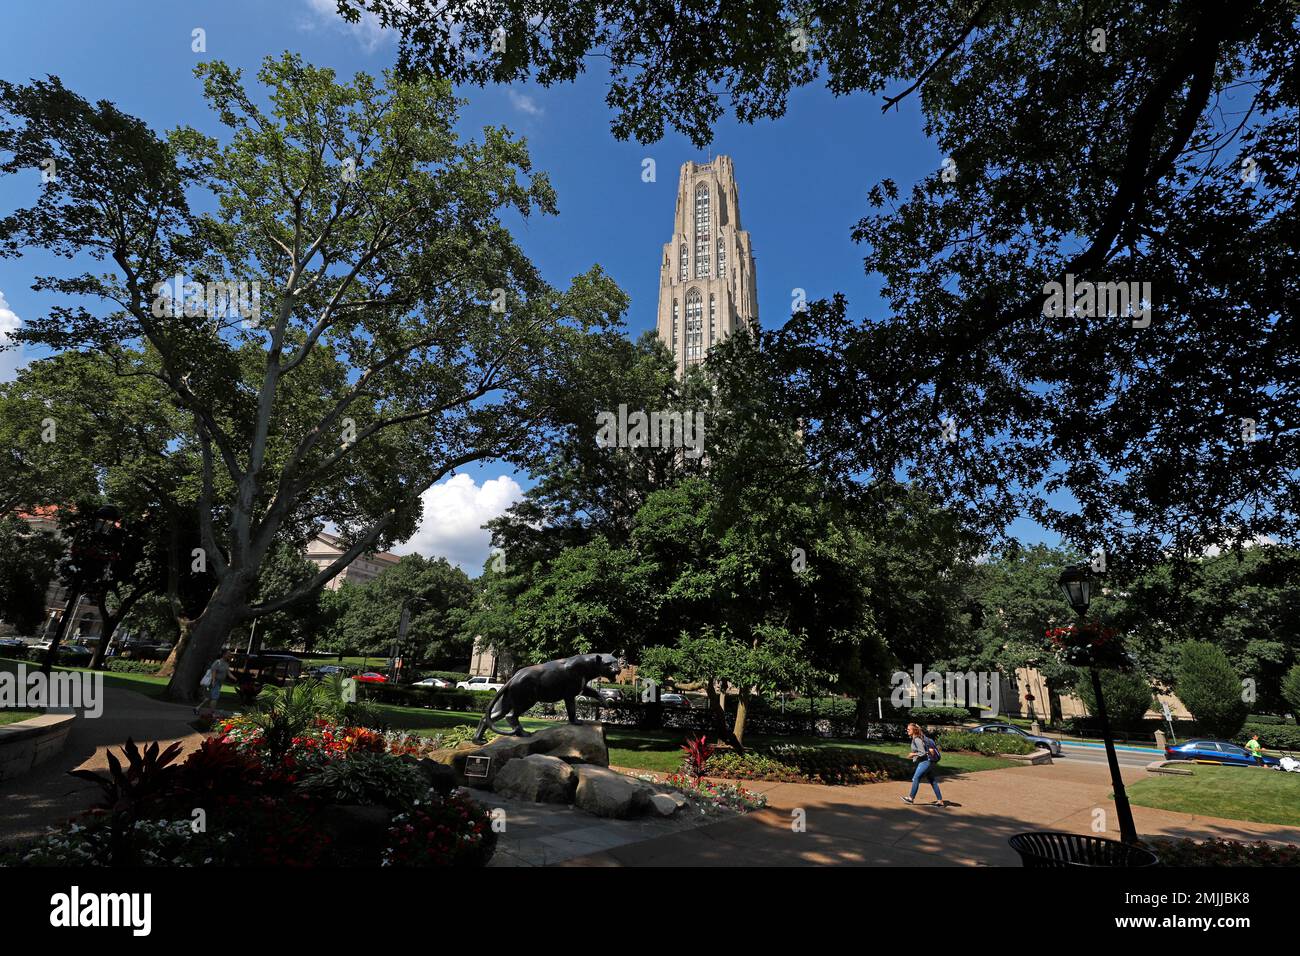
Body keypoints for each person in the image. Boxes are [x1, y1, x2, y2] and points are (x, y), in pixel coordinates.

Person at [903, 722, 944, 806]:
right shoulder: (917, 738)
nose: (907, 730)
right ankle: (940, 801)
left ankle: (911, 798)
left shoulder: (917, 739)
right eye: (907, 729)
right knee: (932, 781)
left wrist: (913, 754)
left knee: (916, 778)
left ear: (914, 730)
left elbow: (923, 753)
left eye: (908, 729)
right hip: (929, 762)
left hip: (925, 762)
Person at [197, 651, 232, 716]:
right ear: (224, 655)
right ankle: (212, 713)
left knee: (209, 697)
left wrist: (235, 678)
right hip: (215, 682)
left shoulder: (226, 663)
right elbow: (213, 671)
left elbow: (228, 672)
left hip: (219, 682)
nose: (230, 655)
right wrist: (213, 681)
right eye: (228, 654)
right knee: (215, 698)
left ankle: (197, 708)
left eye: (230, 654)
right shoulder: (218, 662)